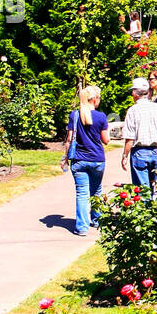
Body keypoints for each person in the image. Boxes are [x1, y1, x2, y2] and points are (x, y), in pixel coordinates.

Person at [61, 85, 109, 236]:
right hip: (97, 159)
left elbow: (69, 139)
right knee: (96, 191)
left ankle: (81, 227)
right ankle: (97, 220)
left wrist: (65, 157)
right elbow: (106, 140)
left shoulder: (74, 115)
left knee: (82, 193)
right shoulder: (101, 117)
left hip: (79, 160)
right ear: (94, 100)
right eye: (99, 98)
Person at [121, 77, 157, 194]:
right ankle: (154, 210)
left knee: (142, 191)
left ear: (134, 94)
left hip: (139, 152)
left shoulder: (133, 110)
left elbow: (130, 138)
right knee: (156, 188)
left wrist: (124, 156)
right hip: (156, 151)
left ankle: (145, 210)